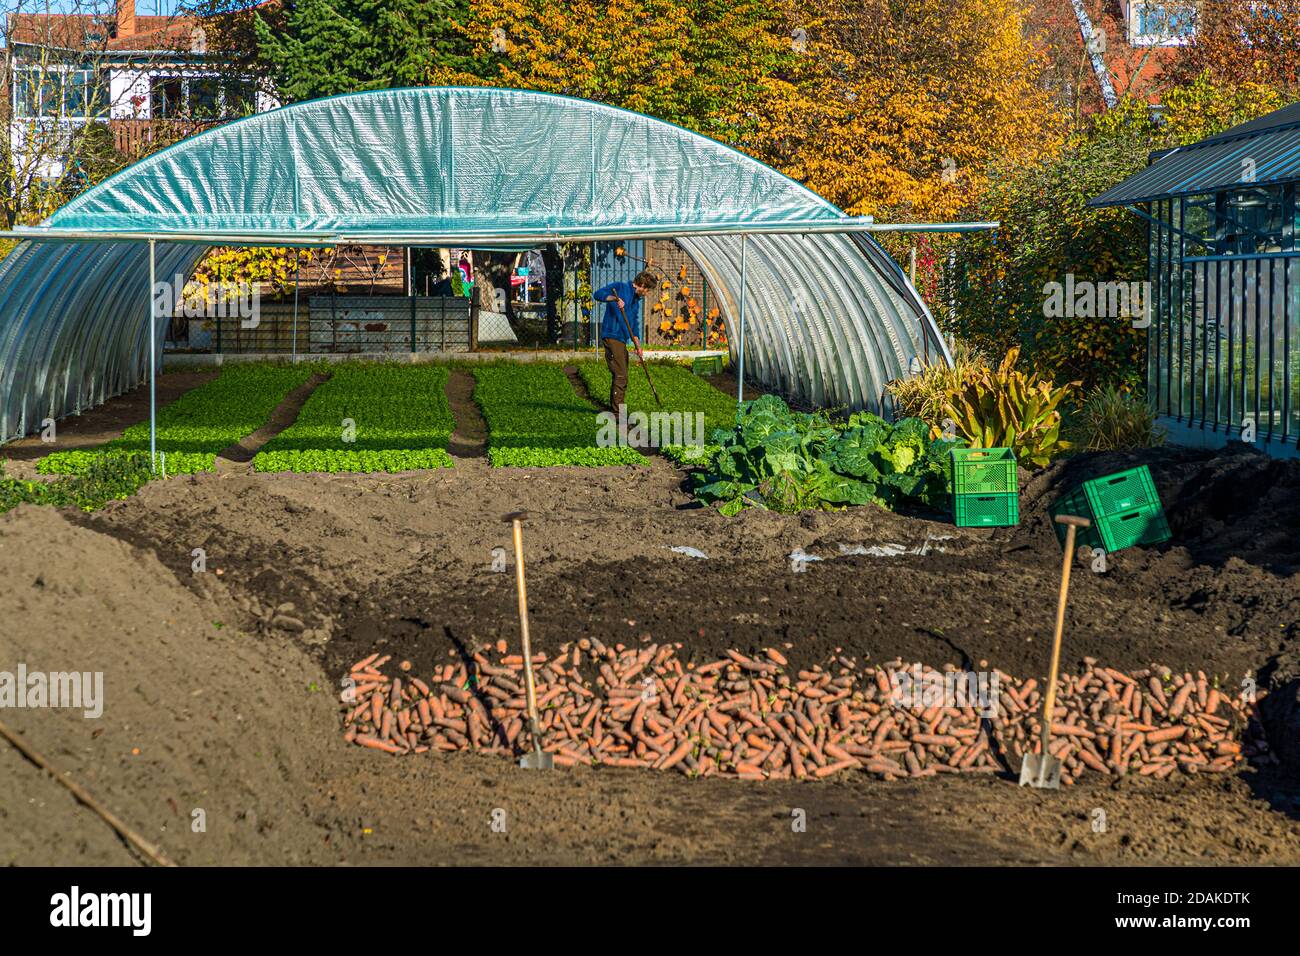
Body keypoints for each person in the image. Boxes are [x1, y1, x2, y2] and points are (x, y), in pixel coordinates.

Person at [593, 270, 656, 411]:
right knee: (621, 374)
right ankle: (617, 412)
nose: (647, 294)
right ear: (641, 285)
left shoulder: (635, 301)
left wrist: (638, 346)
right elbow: (597, 294)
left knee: (622, 374)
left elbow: (634, 325)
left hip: (621, 339)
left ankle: (617, 408)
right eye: (647, 290)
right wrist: (614, 299)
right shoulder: (619, 287)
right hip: (611, 335)